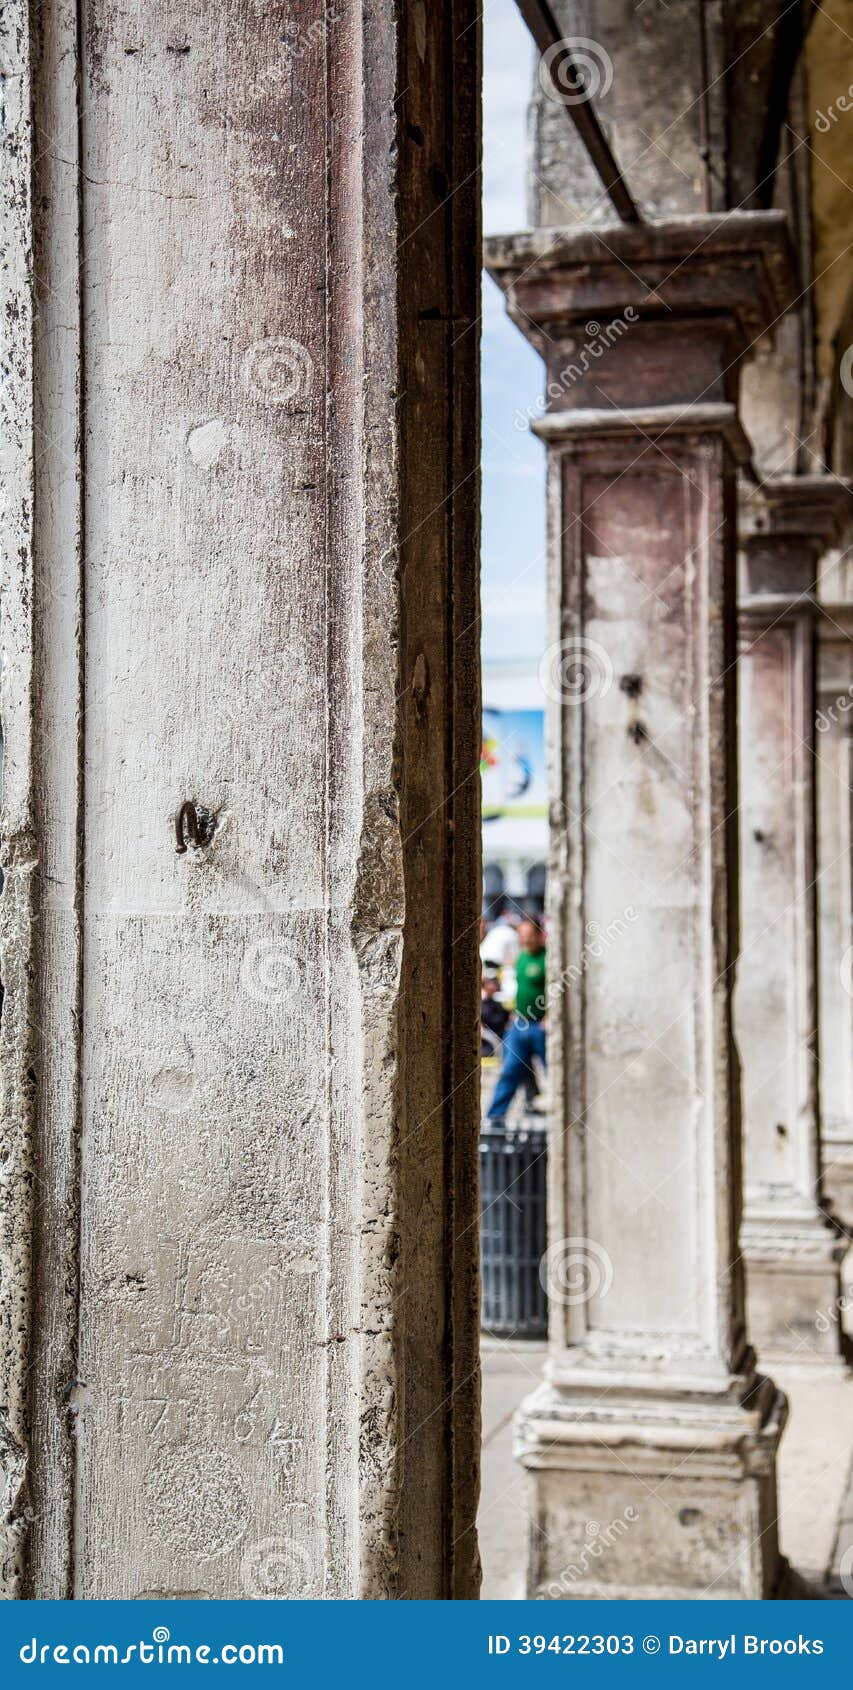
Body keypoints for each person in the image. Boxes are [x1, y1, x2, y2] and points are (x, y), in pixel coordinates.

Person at [486, 915, 547, 1126]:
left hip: (540, 1024)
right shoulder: (521, 958)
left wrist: (549, 1016)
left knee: (552, 1071)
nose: (525, 940)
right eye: (522, 936)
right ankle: (495, 1118)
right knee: (510, 1069)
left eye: (529, 935)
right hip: (520, 1023)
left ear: (540, 935)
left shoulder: (547, 959)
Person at [480, 966, 509, 1056]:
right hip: (488, 1045)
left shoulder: (499, 1004)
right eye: (489, 983)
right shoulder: (481, 1005)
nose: (493, 985)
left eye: (494, 983)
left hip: (501, 1041)